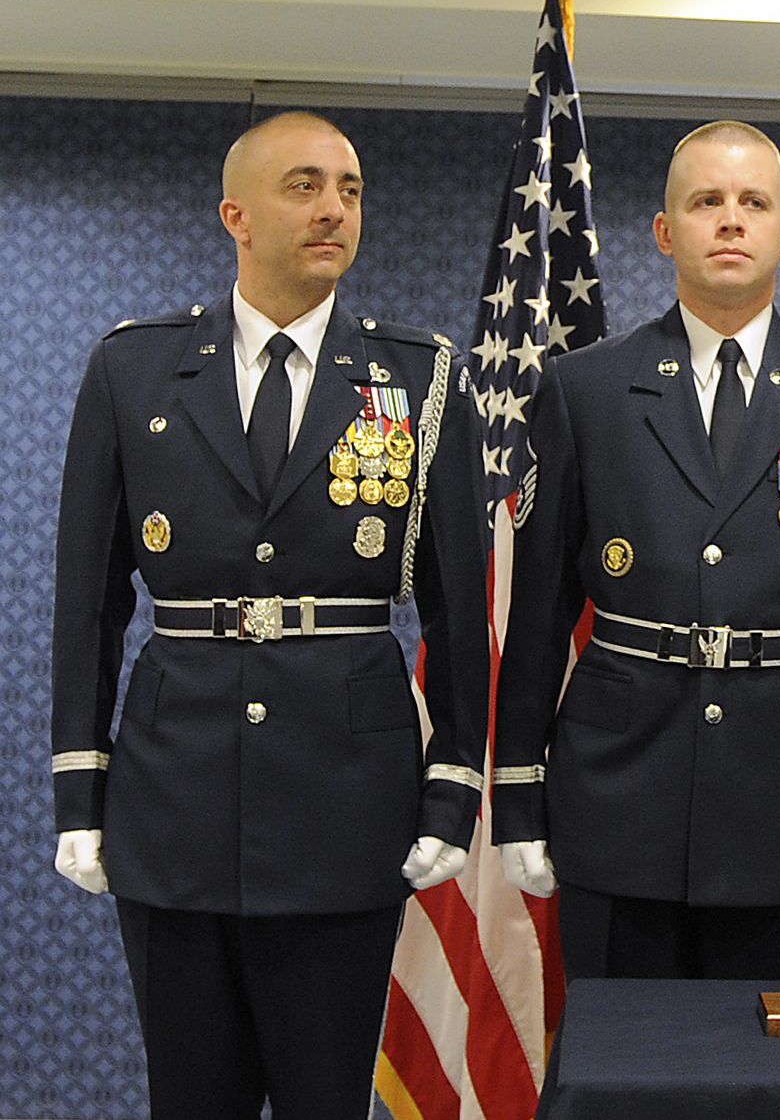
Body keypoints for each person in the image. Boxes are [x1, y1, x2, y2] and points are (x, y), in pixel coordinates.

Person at [48, 110, 488, 1119]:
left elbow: (460, 615)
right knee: (190, 1098)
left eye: (350, 188)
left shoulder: (417, 380)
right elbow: (88, 601)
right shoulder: (135, 369)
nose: (334, 208)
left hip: (349, 797)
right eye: (304, 185)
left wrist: (452, 787)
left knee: (325, 1099)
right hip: (175, 794)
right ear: (235, 215)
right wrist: (80, 788)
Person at [490, 120, 780, 981]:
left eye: (754, 202)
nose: (731, 220)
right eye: (706, 201)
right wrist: (519, 797)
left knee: (774, 1082)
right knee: (621, 1076)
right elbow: (535, 617)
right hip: (621, 788)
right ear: (664, 230)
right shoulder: (585, 390)